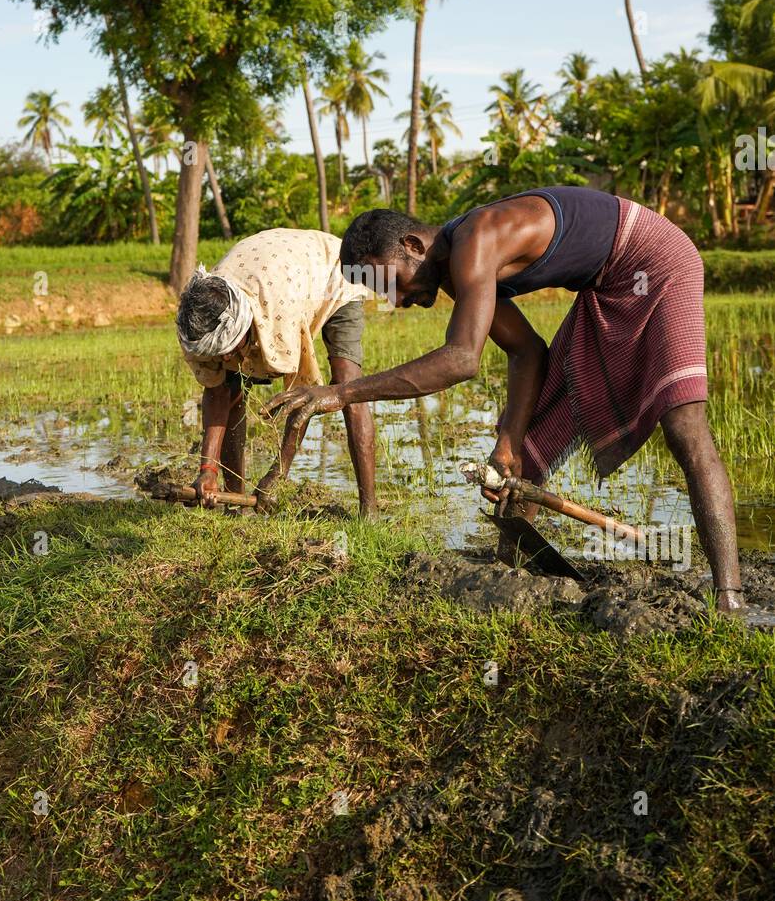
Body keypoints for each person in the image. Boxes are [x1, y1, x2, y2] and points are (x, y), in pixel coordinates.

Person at [263, 187, 744, 614]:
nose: (397, 300)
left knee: (684, 426)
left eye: (389, 282)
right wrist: (507, 440)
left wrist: (341, 391)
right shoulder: (456, 267)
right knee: (528, 448)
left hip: (656, 260)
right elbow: (526, 350)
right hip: (605, 284)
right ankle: (511, 571)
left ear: (412, 245)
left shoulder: (476, 240)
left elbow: (460, 359)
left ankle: (729, 595)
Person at [177, 227, 376, 515]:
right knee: (233, 385)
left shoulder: (279, 315)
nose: (228, 358)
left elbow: (303, 398)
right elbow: (219, 391)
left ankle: (369, 511)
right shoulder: (198, 320)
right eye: (220, 355)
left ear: (247, 327)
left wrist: (277, 473)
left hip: (332, 273)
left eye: (232, 349)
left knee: (349, 388)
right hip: (275, 265)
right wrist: (208, 469)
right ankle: (236, 504)